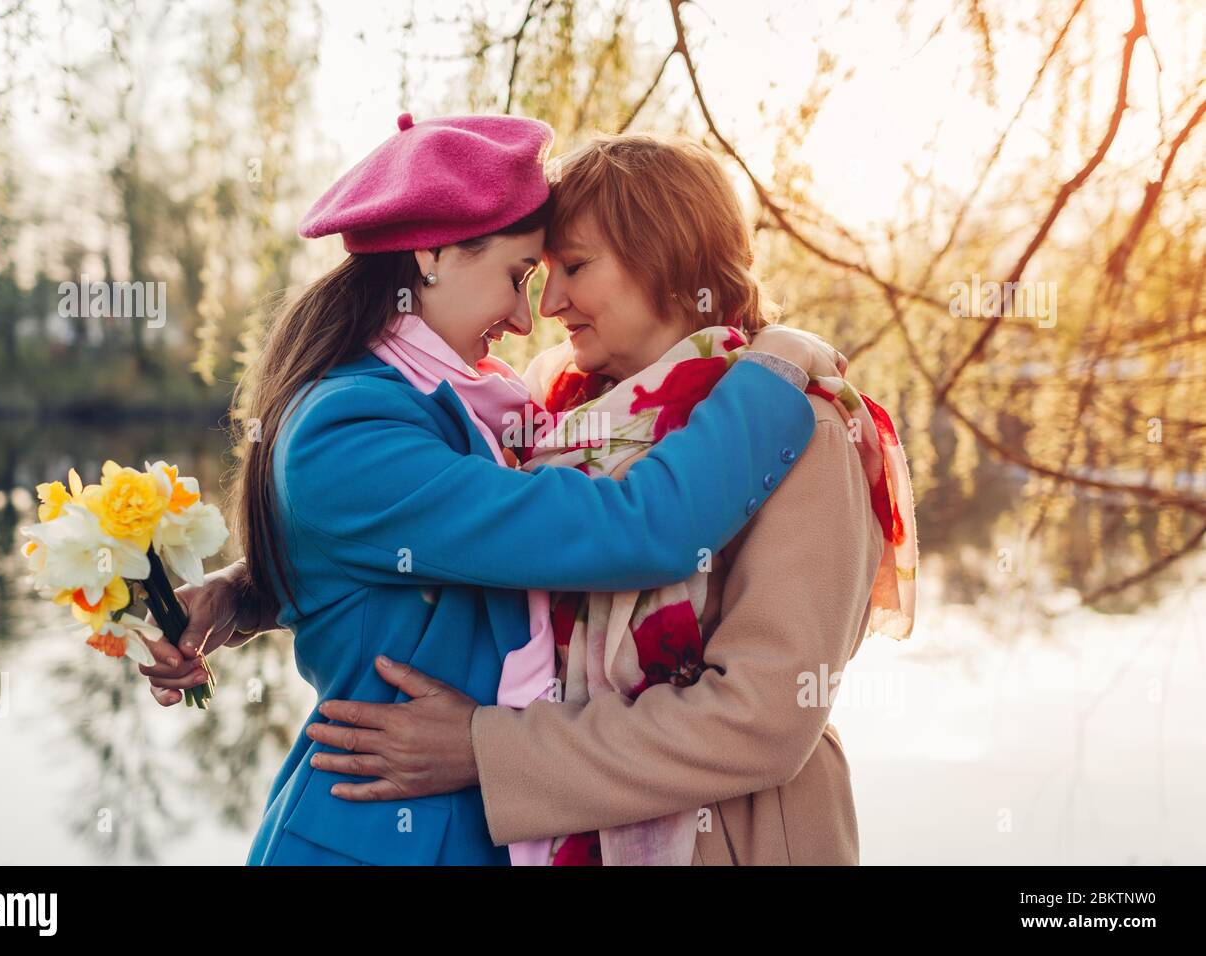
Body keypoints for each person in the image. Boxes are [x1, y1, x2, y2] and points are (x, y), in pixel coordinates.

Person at [140, 115, 846, 866]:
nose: (530, 315)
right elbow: (635, 530)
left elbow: (415, 552)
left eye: (564, 270)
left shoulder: (505, 408)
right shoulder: (370, 421)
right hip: (389, 838)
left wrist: (247, 594)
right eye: (523, 276)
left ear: (664, 258)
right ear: (433, 256)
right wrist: (776, 375)